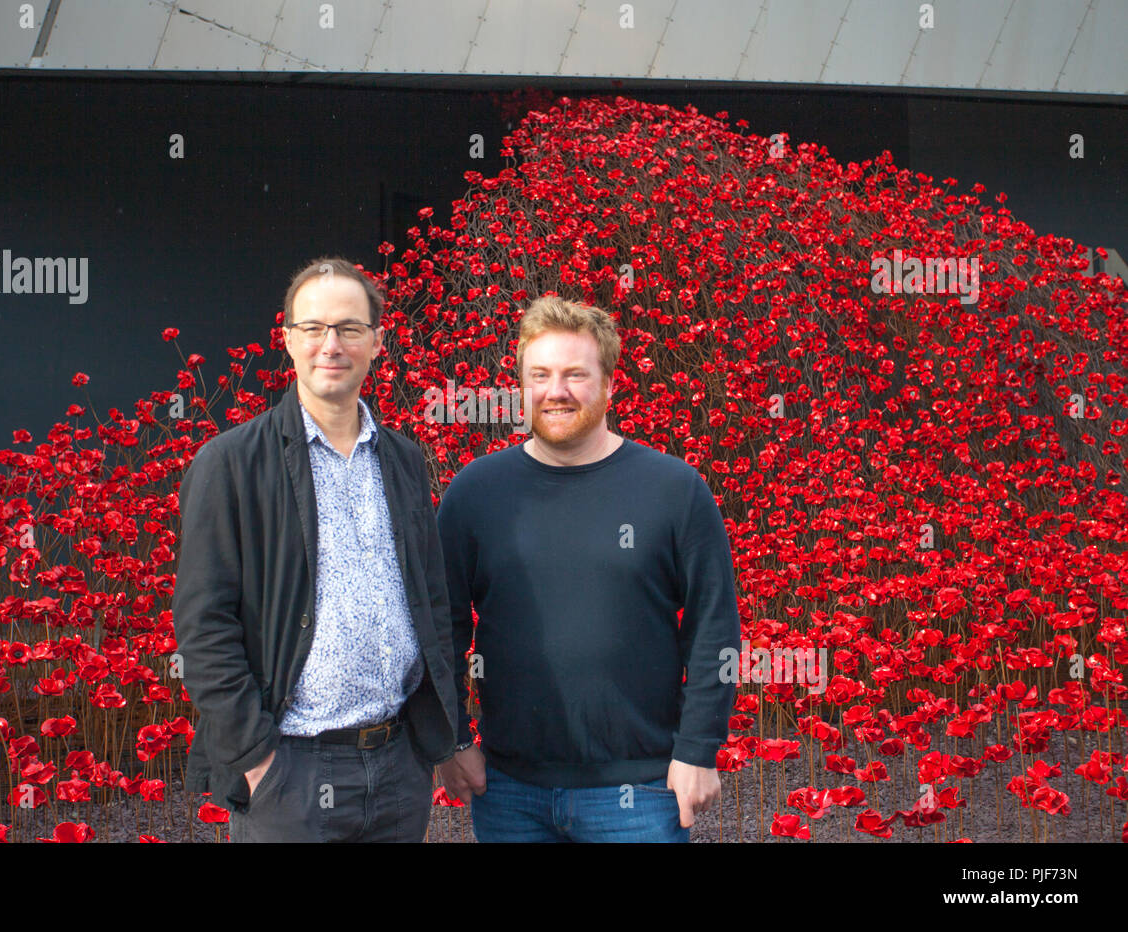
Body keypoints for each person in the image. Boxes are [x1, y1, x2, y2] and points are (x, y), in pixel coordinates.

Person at [436, 296, 742, 842]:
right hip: (509, 792)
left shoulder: (674, 490)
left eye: (576, 374)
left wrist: (698, 749)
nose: (557, 391)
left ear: (609, 385)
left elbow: (713, 627)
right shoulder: (475, 493)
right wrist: (454, 740)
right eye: (541, 375)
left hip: (639, 791)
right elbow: (443, 626)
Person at [173, 256, 457, 842]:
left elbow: (432, 599)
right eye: (314, 328)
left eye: (350, 328)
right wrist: (256, 757)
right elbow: (204, 626)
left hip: (399, 764)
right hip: (291, 773)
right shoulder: (231, 464)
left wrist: (442, 737)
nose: (332, 344)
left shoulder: (403, 460)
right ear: (288, 339)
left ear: (376, 342)